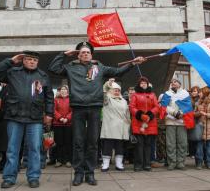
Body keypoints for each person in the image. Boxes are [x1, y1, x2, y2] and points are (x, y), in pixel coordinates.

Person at [48, 41, 146, 186]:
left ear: (91, 55)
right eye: (82, 52)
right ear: (78, 55)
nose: (85, 54)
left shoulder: (100, 67)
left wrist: (133, 63)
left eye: (87, 52)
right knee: (78, 142)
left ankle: (90, 173)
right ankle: (79, 173)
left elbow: (118, 72)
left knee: (93, 143)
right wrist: (63, 55)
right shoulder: (70, 68)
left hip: (94, 108)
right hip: (78, 107)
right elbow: (53, 68)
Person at [0, 51, 54, 189]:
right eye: (29, 59)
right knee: (12, 149)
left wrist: (49, 114)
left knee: (34, 149)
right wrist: (11, 60)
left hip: (35, 118)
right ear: (23, 60)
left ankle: (33, 177)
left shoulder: (43, 76)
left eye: (35, 60)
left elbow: (49, 97)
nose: (32, 62)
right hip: (15, 116)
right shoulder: (12, 72)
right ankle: (9, 177)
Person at [129, 77, 159, 171]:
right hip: (138, 123)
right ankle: (138, 164)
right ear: (139, 84)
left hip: (150, 123)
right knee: (139, 145)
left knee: (148, 144)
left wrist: (150, 115)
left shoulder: (152, 94)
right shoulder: (135, 95)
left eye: (145, 83)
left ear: (147, 84)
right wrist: (140, 115)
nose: (143, 84)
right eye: (141, 83)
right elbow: (132, 107)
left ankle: (147, 164)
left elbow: (156, 106)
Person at [100, 79, 130, 171]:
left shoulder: (124, 101)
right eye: (114, 90)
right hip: (110, 127)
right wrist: (107, 84)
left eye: (118, 90)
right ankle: (105, 164)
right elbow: (103, 91)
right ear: (110, 90)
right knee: (107, 146)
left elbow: (127, 114)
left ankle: (119, 164)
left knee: (119, 146)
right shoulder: (107, 99)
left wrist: (128, 124)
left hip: (121, 127)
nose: (116, 92)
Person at [162, 79, 192, 170]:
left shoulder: (185, 93)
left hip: (181, 122)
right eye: (172, 82)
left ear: (180, 84)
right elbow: (163, 107)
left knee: (182, 143)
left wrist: (181, 113)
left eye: (175, 82)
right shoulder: (167, 94)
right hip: (170, 121)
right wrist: (174, 113)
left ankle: (180, 162)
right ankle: (172, 162)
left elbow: (188, 106)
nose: (173, 83)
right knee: (170, 143)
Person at [53, 85, 72, 168]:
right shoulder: (56, 99)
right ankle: (59, 160)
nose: (63, 91)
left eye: (65, 89)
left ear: (67, 91)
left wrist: (67, 118)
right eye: (62, 89)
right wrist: (60, 118)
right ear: (60, 91)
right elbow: (53, 110)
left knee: (68, 142)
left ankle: (67, 160)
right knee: (59, 142)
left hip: (68, 124)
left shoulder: (70, 99)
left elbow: (73, 110)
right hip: (58, 124)